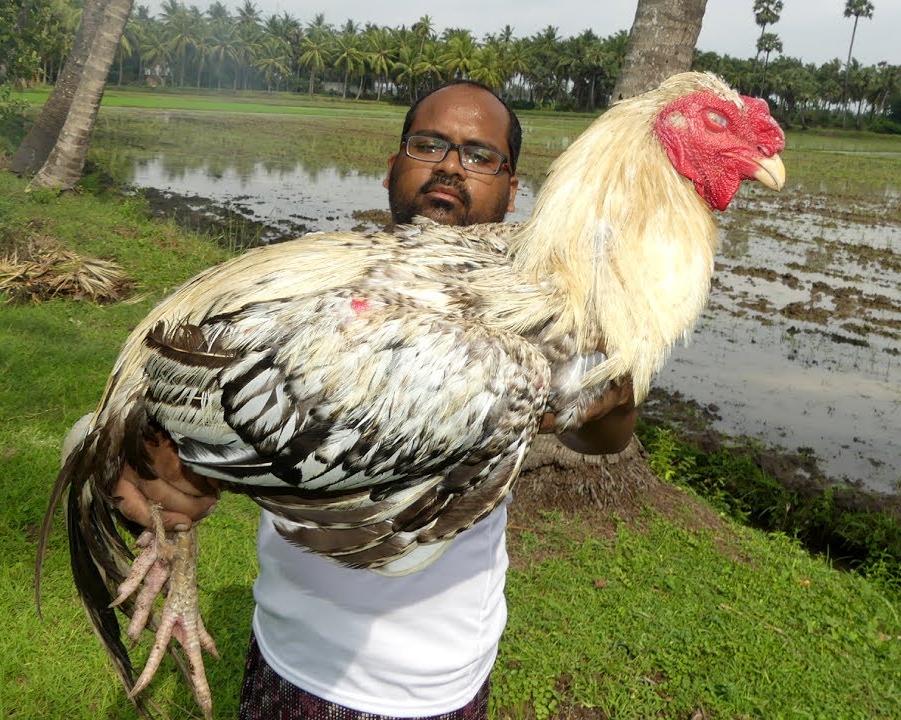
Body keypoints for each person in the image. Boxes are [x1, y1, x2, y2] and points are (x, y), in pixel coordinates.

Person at [106, 79, 637, 719]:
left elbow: (603, 435)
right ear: (394, 165)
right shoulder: (318, 288)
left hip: (442, 669)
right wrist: (168, 474)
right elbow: (198, 416)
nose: (449, 166)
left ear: (511, 189)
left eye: (479, 155)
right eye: (429, 144)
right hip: (290, 644)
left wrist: (605, 393)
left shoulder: (535, 303)